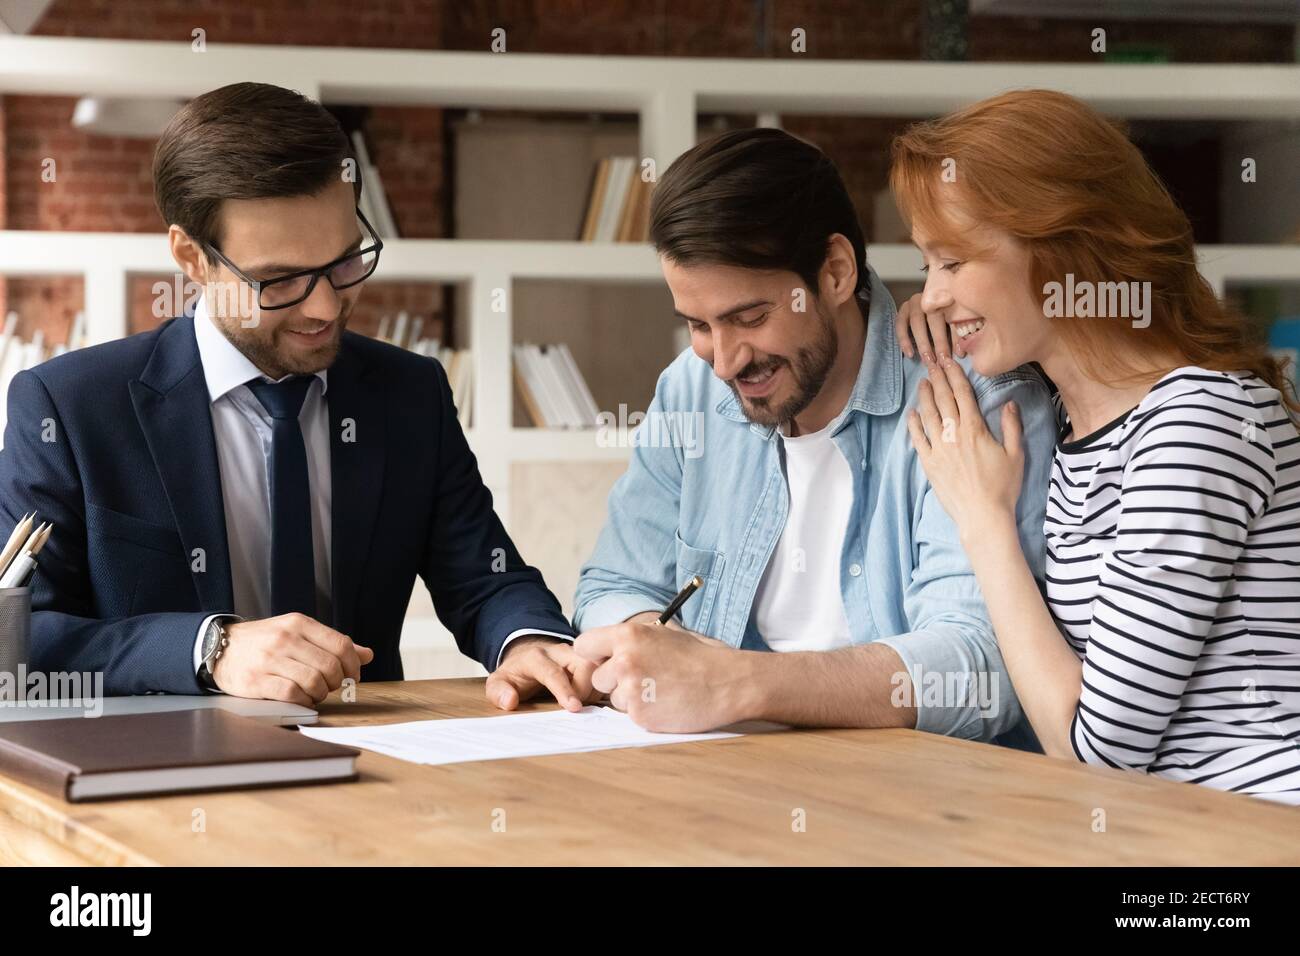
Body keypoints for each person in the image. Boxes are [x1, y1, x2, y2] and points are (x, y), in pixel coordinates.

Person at [0, 82, 594, 711]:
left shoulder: (408, 393)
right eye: (281, 279)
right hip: (153, 780)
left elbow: (485, 575)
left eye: (343, 263)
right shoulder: (68, 407)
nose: (326, 306)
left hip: (370, 768)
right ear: (191, 257)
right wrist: (210, 649)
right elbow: (20, 638)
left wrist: (526, 641)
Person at [569, 127, 1058, 742]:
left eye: (749, 317)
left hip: (921, 804)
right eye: (698, 324)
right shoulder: (690, 391)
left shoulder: (973, 396)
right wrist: (648, 654)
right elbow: (617, 583)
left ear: (834, 271)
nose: (723, 361)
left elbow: (977, 667)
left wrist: (737, 682)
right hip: (719, 785)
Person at [895, 89, 1300, 803]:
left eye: (952, 262)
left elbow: (1099, 752)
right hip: (1165, 833)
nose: (929, 294)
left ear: (1060, 250)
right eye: (927, 266)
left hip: (1254, 834)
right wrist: (949, 307)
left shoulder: (1196, 423)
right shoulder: (1067, 419)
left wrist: (984, 521)